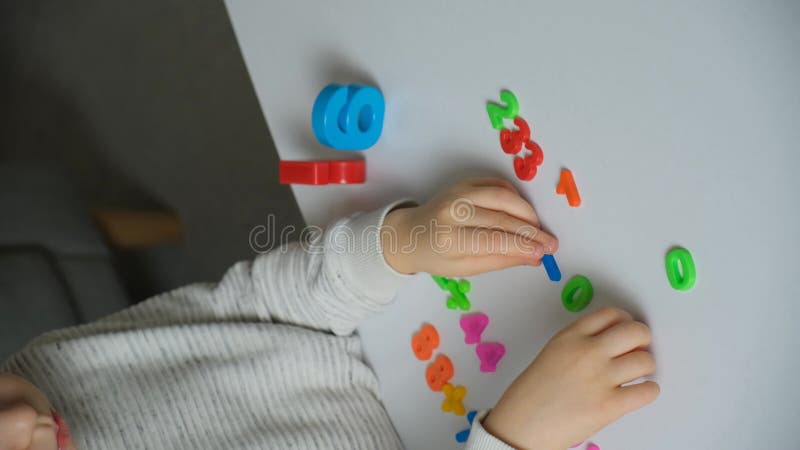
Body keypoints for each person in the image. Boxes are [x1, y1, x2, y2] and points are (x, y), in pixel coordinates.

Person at [0, 178, 658, 450]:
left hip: (396, 358)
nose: (23, 418)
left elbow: (254, 307)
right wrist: (520, 436)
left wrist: (399, 242)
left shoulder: (42, 372)